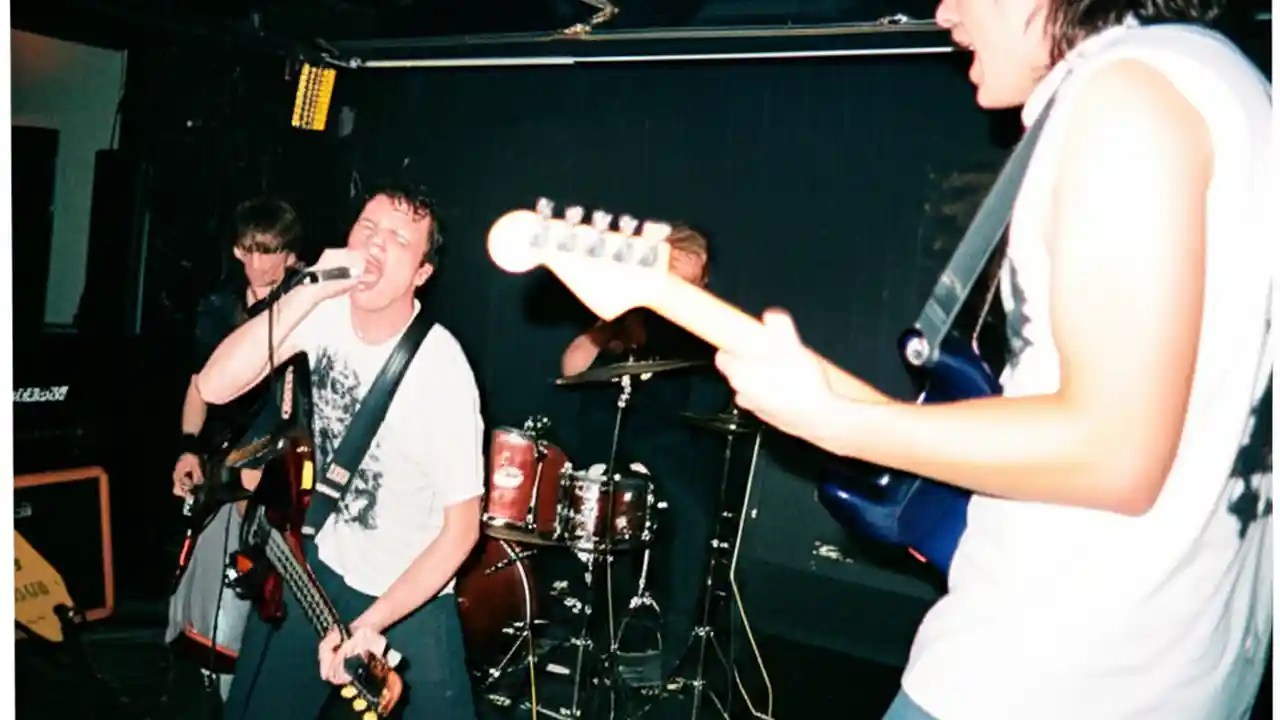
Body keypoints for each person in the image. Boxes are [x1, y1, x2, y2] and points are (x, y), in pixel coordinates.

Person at [715, 0, 1272, 717]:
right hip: (1180, 673)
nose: (943, 11)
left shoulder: (1128, 93)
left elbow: (1112, 453)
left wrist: (836, 425)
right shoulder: (1229, 86)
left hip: (1040, 675)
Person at [196, 184, 482, 719]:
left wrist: (374, 624)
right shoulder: (323, 312)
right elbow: (213, 385)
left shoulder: (441, 370)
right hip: (319, 568)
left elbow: (462, 530)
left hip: (407, 594)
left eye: (398, 239)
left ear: (422, 272)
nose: (376, 245)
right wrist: (308, 289)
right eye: (367, 228)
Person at [560, 225, 732, 687]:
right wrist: (613, 323)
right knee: (602, 511)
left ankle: (672, 652)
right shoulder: (624, 310)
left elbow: (714, 402)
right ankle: (591, 639)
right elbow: (571, 365)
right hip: (611, 436)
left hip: (670, 441)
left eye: (688, 278)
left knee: (695, 518)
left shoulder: (704, 325)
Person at [165, 196, 304, 702]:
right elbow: (199, 386)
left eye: (273, 252)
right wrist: (187, 448)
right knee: (215, 597)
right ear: (237, 251)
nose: (262, 263)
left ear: (290, 256)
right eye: (252, 250)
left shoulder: (303, 309)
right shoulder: (219, 307)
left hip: (282, 467)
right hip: (225, 465)